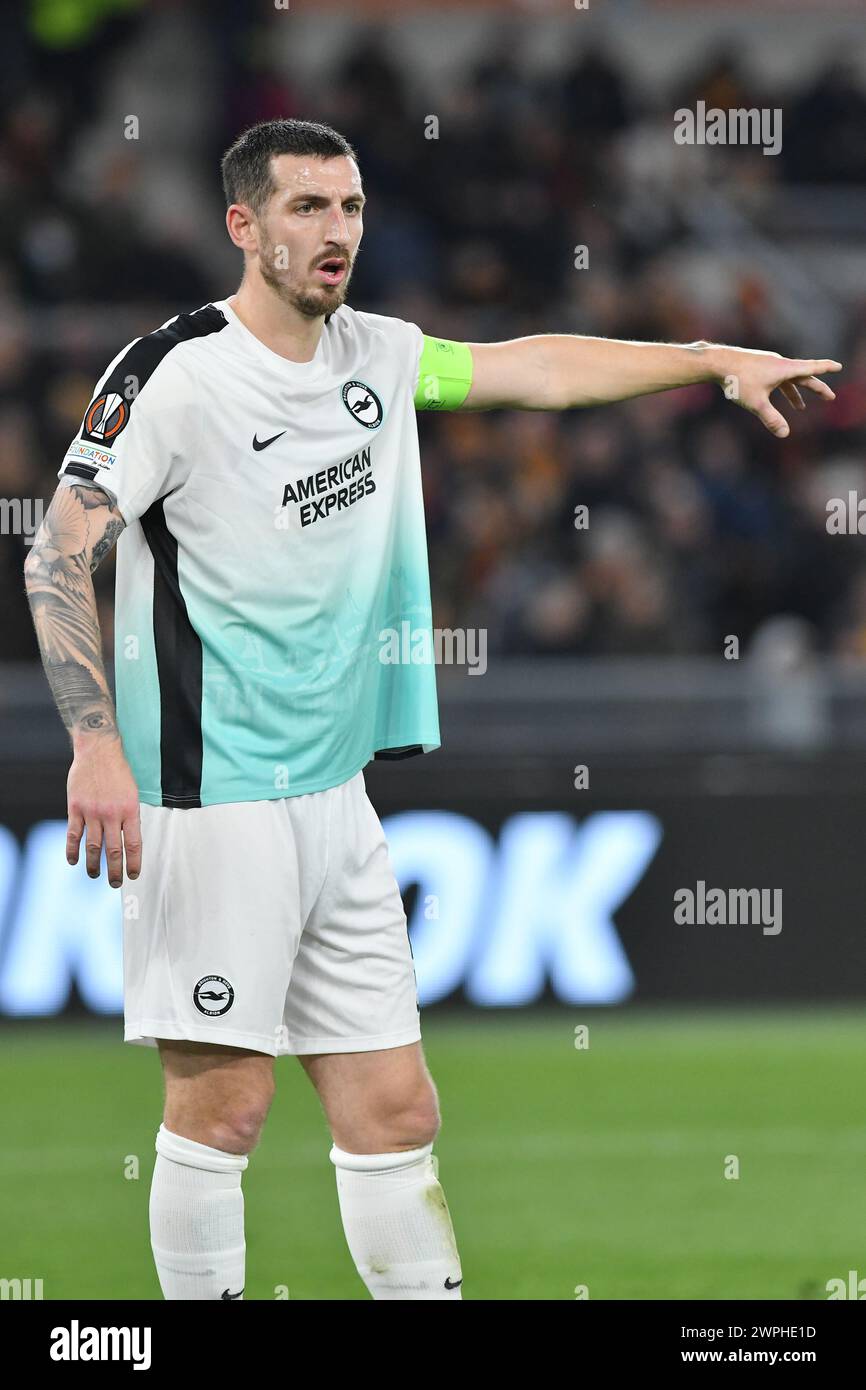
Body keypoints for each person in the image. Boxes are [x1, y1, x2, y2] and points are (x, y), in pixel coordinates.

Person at [23, 117, 841, 1301]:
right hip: (210, 794)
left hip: (333, 794)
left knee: (397, 1107)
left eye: (349, 206)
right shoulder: (175, 376)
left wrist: (710, 355)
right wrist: (94, 742)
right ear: (241, 226)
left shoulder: (376, 355)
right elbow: (55, 555)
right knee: (225, 1107)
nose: (336, 230)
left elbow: (539, 369)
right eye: (305, 207)